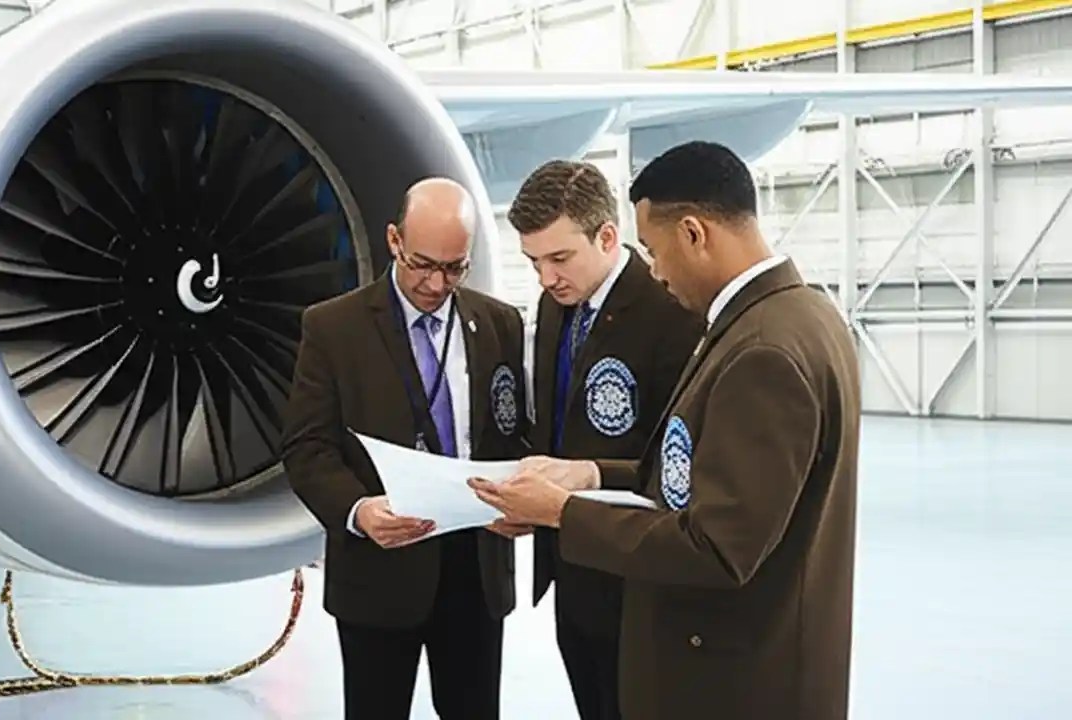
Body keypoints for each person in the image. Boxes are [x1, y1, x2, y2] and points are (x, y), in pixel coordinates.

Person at [470, 140, 862, 720]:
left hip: (735, 674)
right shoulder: (800, 317)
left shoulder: (762, 352)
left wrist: (563, 513)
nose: (652, 269)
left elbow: (717, 547)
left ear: (694, 234)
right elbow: (695, 476)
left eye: (653, 250)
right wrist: (590, 473)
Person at [281, 177, 531, 720]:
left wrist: (523, 499)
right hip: (379, 570)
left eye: (454, 268)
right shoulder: (333, 328)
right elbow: (307, 447)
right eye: (423, 264)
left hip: (476, 569)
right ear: (394, 240)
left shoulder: (498, 324)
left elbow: (514, 436)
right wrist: (357, 510)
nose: (436, 283)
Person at [505, 159, 702, 720]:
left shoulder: (671, 310)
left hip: (640, 575)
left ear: (608, 237)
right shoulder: (556, 304)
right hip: (572, 567)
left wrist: (590, 477)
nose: (546, 277)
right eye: (534, 262)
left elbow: (680, 456)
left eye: (559, 258)